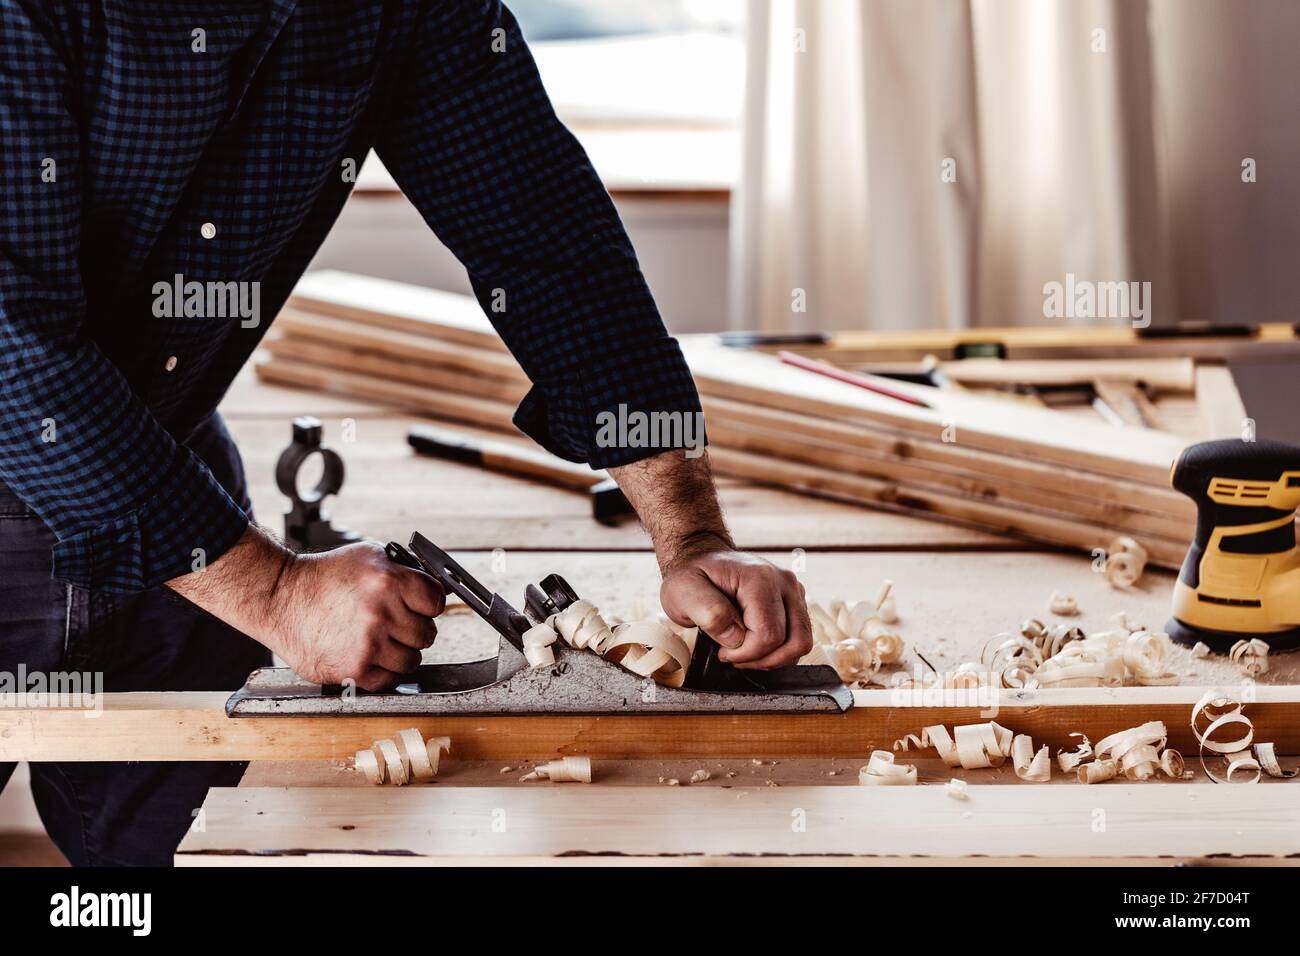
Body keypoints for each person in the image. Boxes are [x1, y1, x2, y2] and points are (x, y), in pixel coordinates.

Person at [0, 0, 811, 865]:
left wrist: (688, 534)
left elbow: (552, 242)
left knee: (206, 855)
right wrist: (274, 592)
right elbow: (16, 350)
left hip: (172, 500)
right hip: (161, 527)